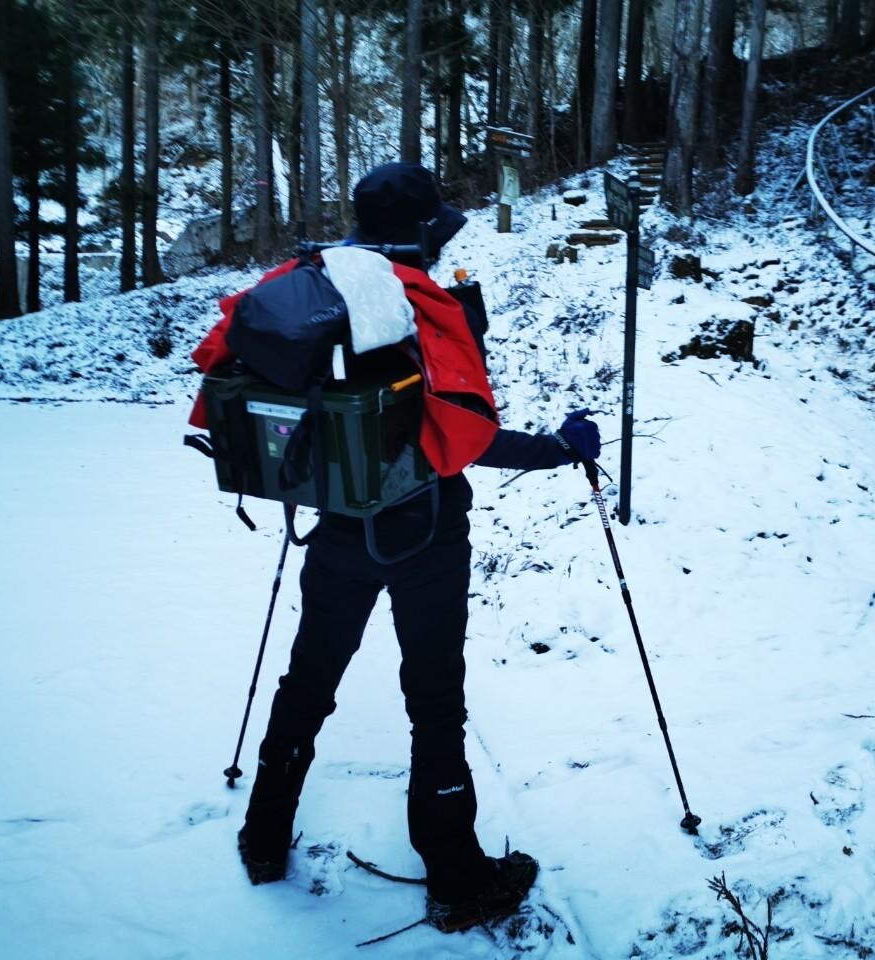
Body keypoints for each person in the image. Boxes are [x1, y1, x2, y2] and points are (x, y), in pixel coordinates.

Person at [234, 162, 602, 933]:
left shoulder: (320, 290)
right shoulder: (417, 306)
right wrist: (561, 448)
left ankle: (264, 836)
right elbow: (465, 437)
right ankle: (456, 877)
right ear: (425, 232)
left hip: (335, 531)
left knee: (309, 678)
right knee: (434, 698)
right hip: (427, 535)